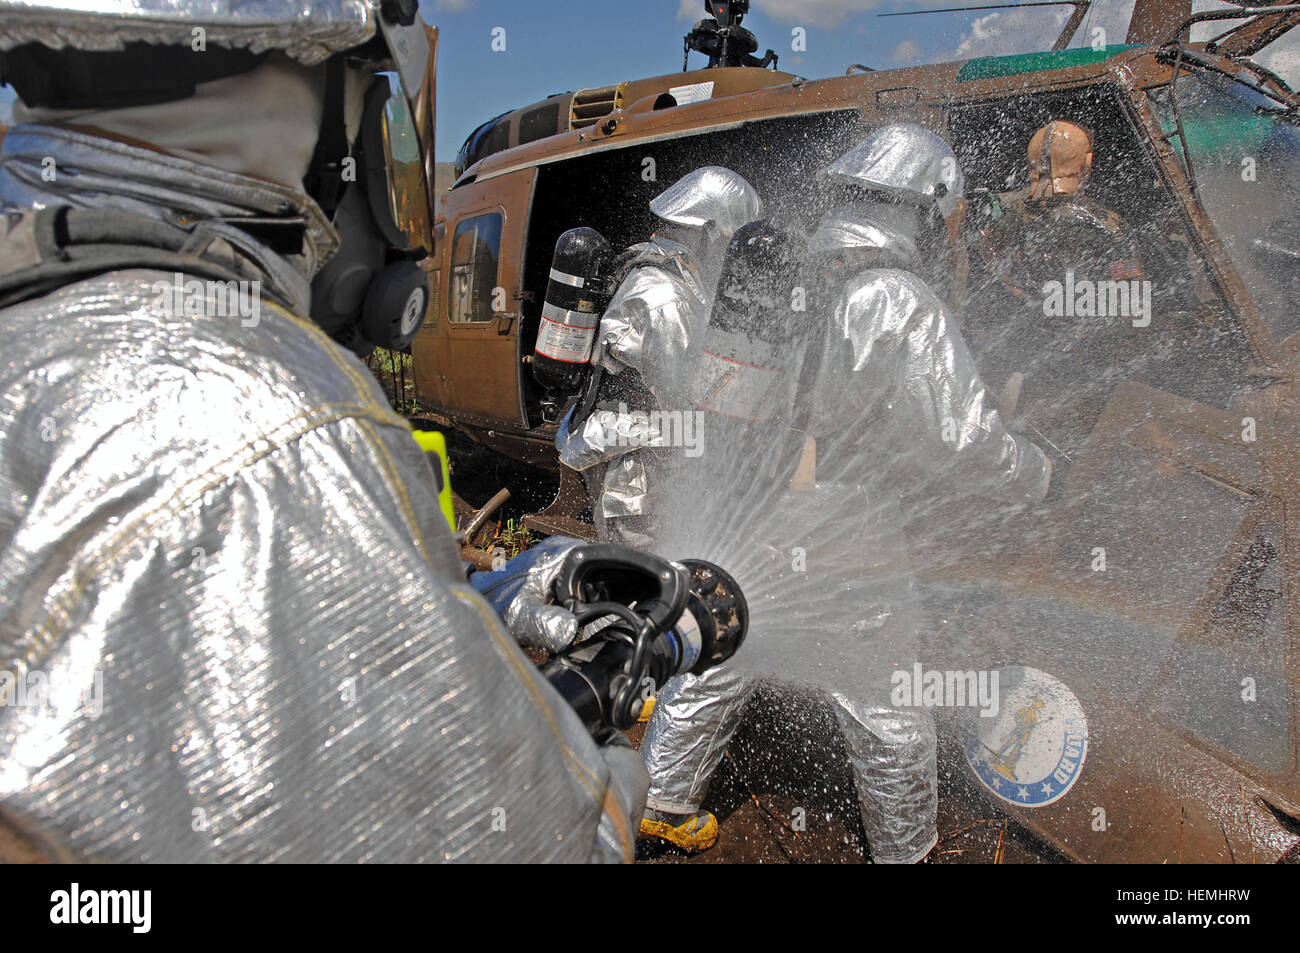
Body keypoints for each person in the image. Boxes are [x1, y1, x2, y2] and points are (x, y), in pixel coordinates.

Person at [0, 1, 645, 862]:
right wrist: (603, 768)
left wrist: (498, 594)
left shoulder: (45, 308)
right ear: (348, 142)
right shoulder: (270, 423)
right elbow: (536, 844)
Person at [638, 124, 1051, 860]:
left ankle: (660, 800)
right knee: (887, 698)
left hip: (747, 511)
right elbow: (961, 441)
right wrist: (1037, 471)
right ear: (920, 208)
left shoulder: (789, 270)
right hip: (841, 523)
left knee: (727, 651)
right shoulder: (898, 300)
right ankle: (905, 850)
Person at [557, 166, 762, 549]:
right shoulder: (664, 297)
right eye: (727, 244)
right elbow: (687, 396)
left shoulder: (666, 276)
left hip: (648, 460)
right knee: (642, 590)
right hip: (637, 483)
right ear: (708, 233)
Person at [966, 119, 1146, 468]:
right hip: (1084, 376)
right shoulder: (1107, 225)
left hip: (1011, 371)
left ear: (1032, 165)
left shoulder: (999, 219)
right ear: (1087, 163)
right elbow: (1133, 304)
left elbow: (984, 290)